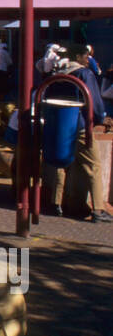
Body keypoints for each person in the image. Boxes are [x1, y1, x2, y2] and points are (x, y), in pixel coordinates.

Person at [48, 44, 113, 223]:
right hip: (81, 125)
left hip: (61, 126)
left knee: (63, 164)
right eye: (86, 56)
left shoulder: (59, 74)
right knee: (94, 166)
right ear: (78, 57)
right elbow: (94, 102)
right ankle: (98, 210)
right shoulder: (84, 74)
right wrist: (102, 118)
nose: (88, 59)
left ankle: (57, 203)